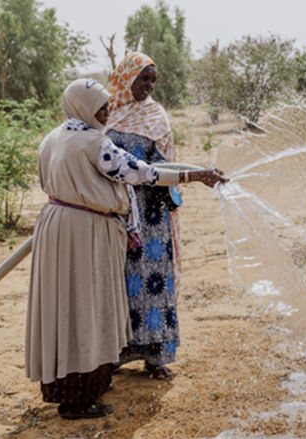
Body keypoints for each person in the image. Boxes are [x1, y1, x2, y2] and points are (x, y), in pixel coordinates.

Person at [26, 78, 226, 419]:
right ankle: (79, 398)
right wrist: (195, 176)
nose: (107, 114)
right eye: (101, 108)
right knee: (87, 308)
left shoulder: (52, 138)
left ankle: (70, 387)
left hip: (55, 228)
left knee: (63, 307)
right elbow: (140, 173)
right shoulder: (92, 142)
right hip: (86, 232)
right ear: (84, 108)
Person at [104, 52, 188, 380]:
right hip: (116, 213)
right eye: (144, 79)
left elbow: (166, 164)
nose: (149, 87)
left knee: (154, 284)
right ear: (126, 78)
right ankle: (114, 353)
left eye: (153, 80)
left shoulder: (156, 117)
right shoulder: (103, 112)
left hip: (152, 217)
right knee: (118, 282)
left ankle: (156, 356)